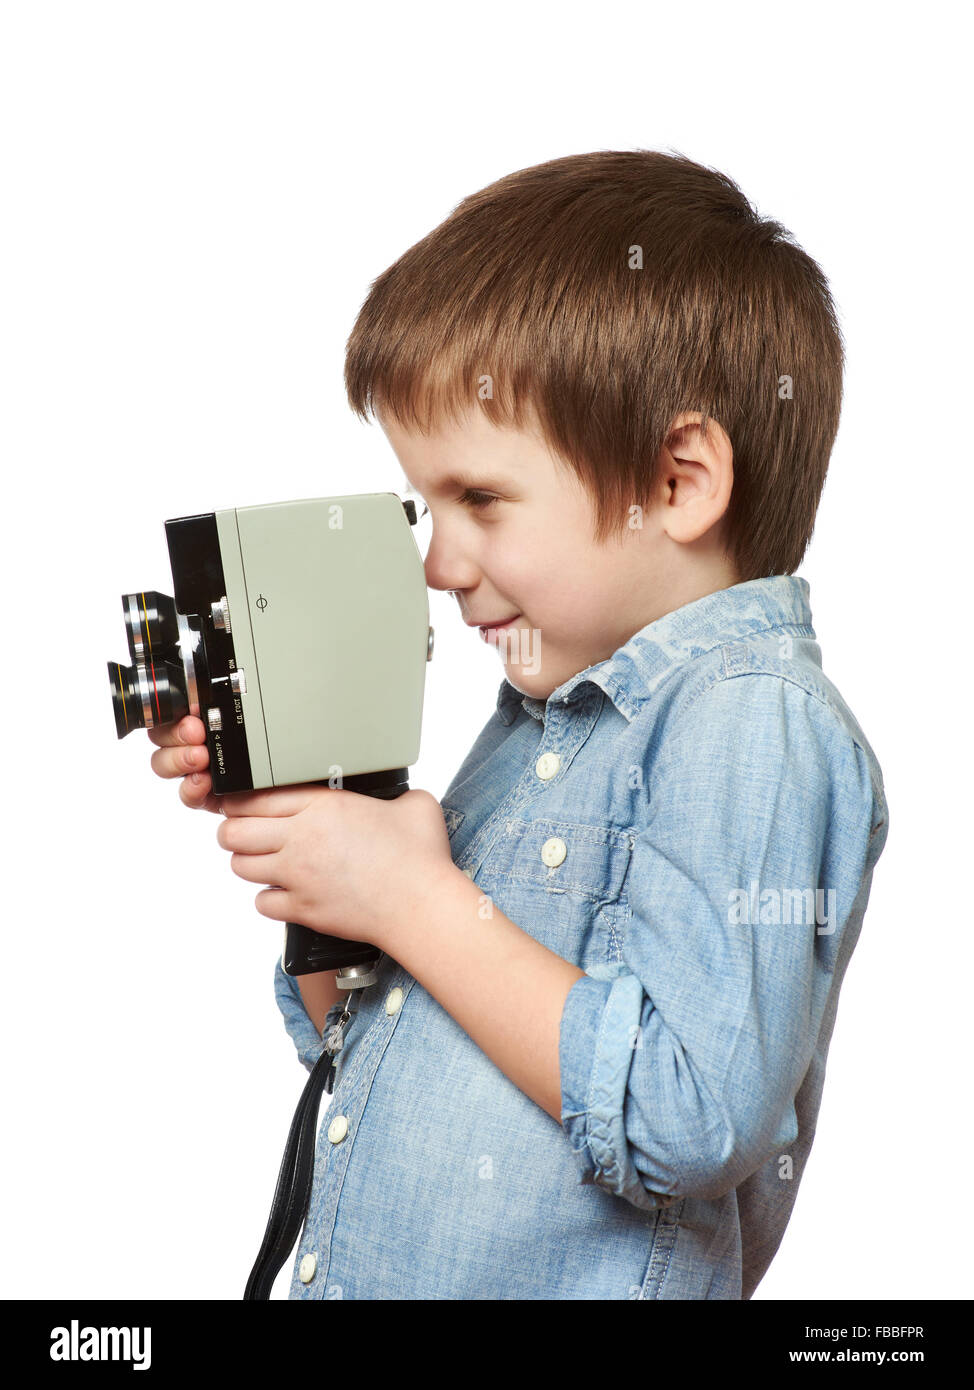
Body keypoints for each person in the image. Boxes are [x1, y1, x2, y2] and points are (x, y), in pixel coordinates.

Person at [148, 150, 889, 1300]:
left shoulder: (753, 724)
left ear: (678, 481)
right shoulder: (544, 715)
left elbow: (688, 1112)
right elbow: (371, 1043)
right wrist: (324, 866)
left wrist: (410, 897)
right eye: (423, 505)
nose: (437, 564)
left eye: (479, 499)